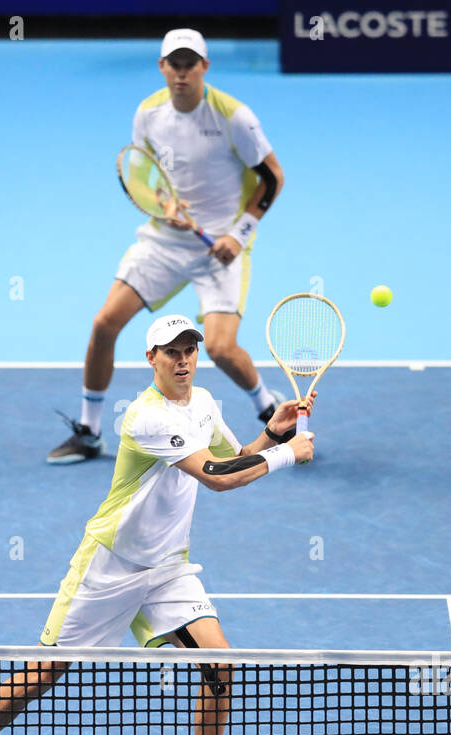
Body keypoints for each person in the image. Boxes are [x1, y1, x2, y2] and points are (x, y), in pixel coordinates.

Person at [0, 314, 315, 735]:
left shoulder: (204, 403)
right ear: (151, 359)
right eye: (171, 351)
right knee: (43, 674)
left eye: (190, 348)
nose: (183, 358)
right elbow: (214, 478)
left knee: (220, 664)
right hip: (108, 567)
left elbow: (233, 460)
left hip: (167, 569)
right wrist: (286, 454)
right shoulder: (146, 417)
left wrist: (270, 434)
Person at [48, 27, 287, 464]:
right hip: (162, 242)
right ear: (162, 67)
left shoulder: (234, 117)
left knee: (220, 349)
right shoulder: (148, 114)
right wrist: (163, 206)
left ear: (204, 68)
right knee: (105, 324)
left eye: (189, 64)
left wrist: (239, 236)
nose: (181, 73)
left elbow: (273, 177)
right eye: (173, 65)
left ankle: (269, 409)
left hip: (220, 247)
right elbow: (142, 174)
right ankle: (89, 430)